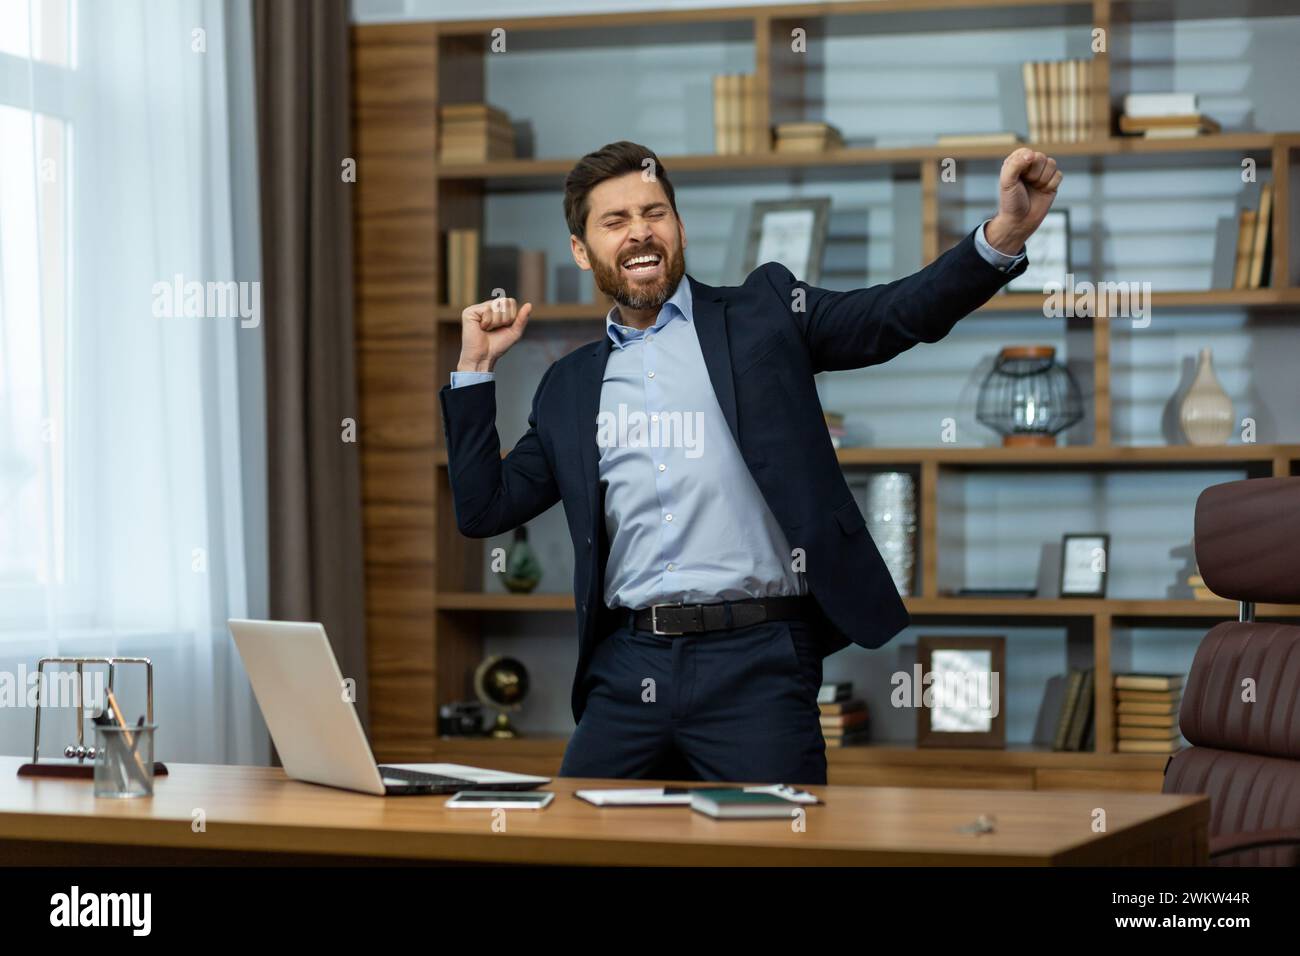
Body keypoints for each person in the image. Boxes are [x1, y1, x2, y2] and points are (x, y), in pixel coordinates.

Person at [440, 140, 1060, 784]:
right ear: (582, 250)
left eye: (653, 212)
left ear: (679, 226)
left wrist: (1004, 235)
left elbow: (891, 315)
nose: (639, 232)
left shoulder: (765, 314)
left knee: (778, 852)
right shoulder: (569, 386)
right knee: (580, 848)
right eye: (614, 221)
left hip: (758, 662)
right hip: (627, 669)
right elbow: (485, 508)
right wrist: (474, 369)